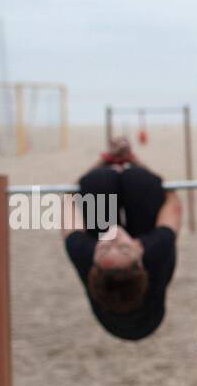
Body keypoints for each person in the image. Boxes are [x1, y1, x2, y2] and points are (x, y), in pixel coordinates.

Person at [59, 137, 182, 341]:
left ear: (93, 263)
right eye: (124, 248)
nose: (113, 235)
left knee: (97, 181)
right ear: (140, 257)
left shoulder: (82, 252)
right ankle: (133, 178)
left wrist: (105, 160)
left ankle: (108, 178)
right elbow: (171, 198)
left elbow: (69, 198)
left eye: (105, 248)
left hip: (109, 316)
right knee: (140, 180)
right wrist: (134, 161)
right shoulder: (156, 250)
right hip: (151, 320)